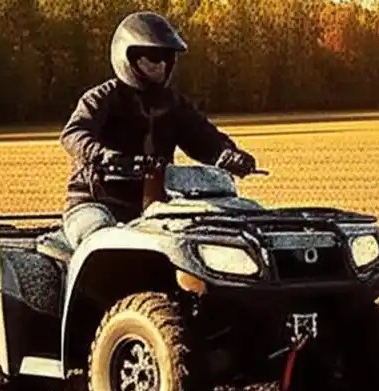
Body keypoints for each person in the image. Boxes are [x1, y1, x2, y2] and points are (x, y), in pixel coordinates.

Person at [41, 11, 258, 260]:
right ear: (128, 58)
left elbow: (204, 138)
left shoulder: (174, 104)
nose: (161, 65)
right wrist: (105, 156)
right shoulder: (103, 98)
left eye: (167, 58)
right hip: (97, 202)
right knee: (104, 242)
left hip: (156, 208)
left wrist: (229, 154)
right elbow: (74, 133)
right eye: (153, 58)